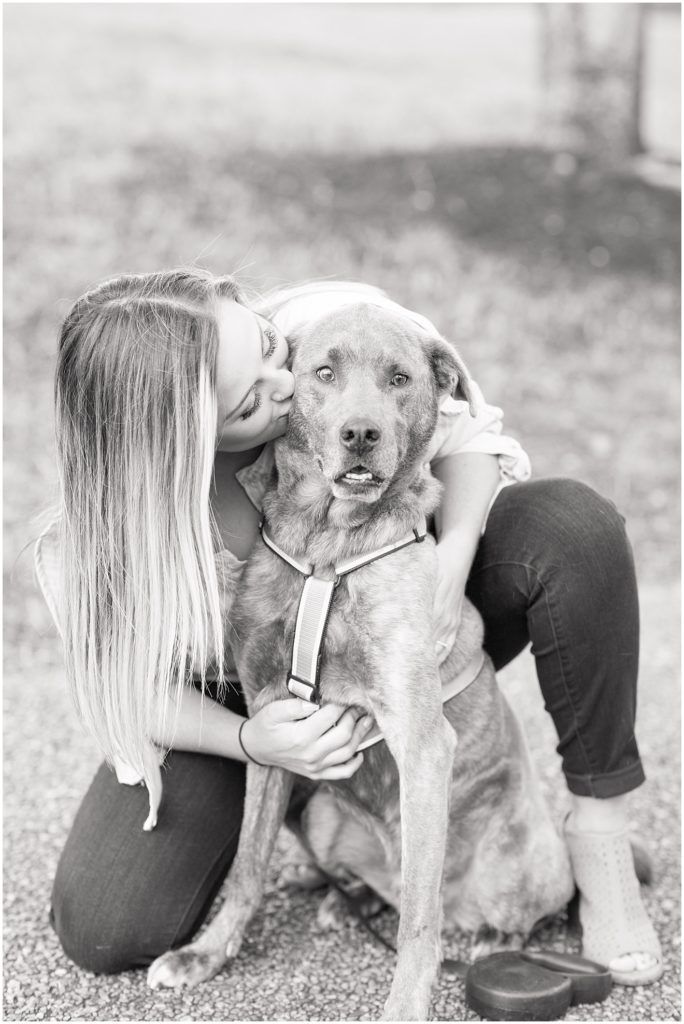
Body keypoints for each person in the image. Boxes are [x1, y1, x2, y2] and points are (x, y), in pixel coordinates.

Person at [35, 269, 662, 985]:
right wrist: (251, 738)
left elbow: (467, 428)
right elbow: (127, 693)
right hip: (226, 707)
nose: (284, 383)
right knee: (106, 927)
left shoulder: (325, 334)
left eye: (273, 348)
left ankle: (600, 844)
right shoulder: (91, 548)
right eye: (250, 396)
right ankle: (331, 828)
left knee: (570, 528)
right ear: (183, 432)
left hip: (385, 597)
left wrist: (449, 565)